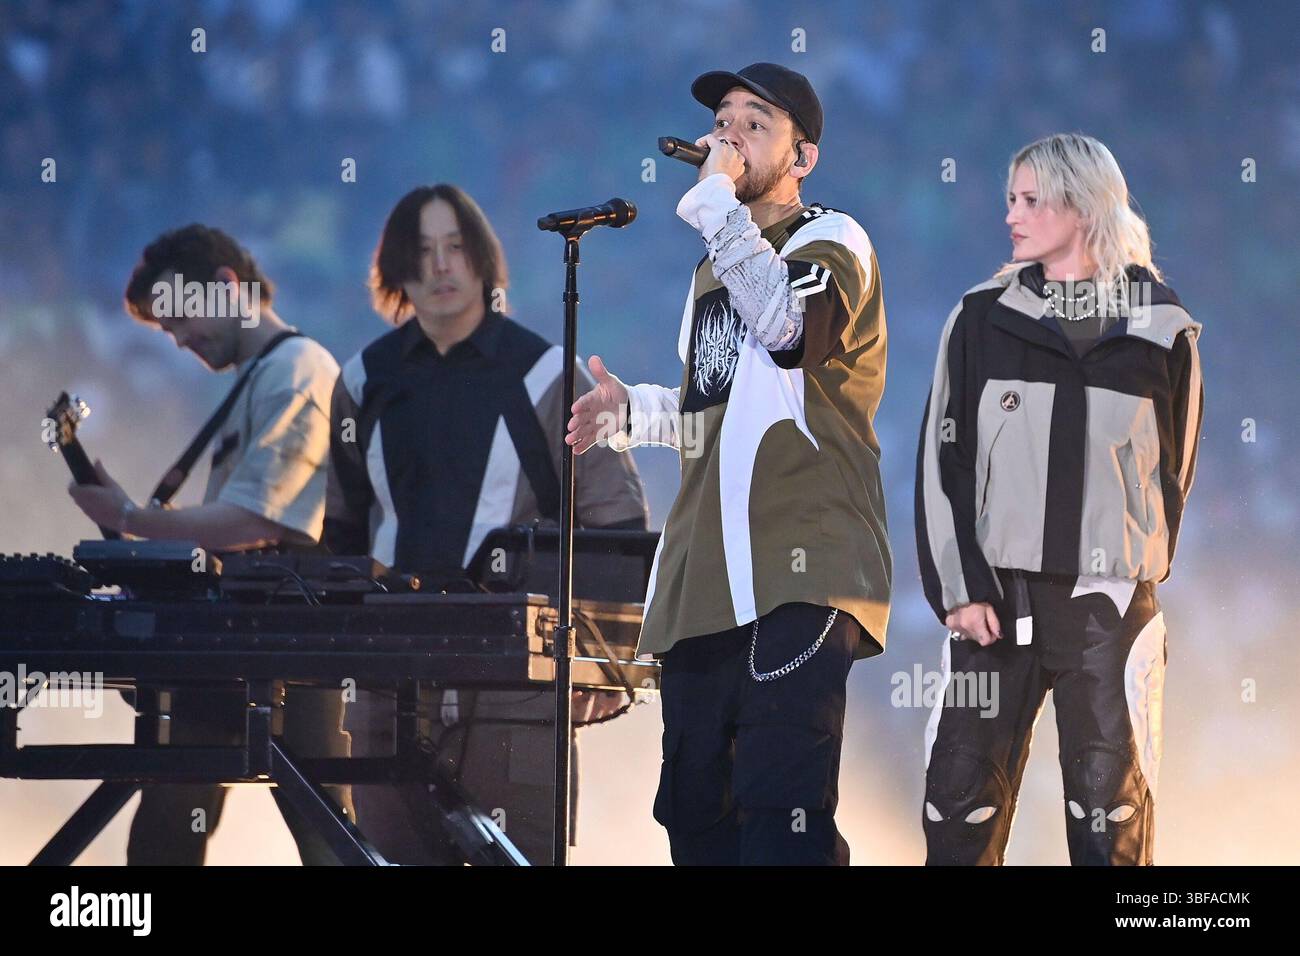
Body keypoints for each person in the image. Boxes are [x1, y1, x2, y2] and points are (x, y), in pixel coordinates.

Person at [567, 63, 892, 865]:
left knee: (781, 816)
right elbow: (710, 413)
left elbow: (790, 332)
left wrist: (714, 203)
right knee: (697, 824)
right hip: (706, 586)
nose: (731, 133)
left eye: (756, 122)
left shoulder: (832, 238)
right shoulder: (713, 269)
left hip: (801, 571)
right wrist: (631, 412)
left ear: (802, 157)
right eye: (724, 119)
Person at [325, 184, 649, 864]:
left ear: (481, 262)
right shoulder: (360, 381)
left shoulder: (547, 374)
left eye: (455, 249)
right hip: (388, 688)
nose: (441, 268)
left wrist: (601, 670)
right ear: (396, 269)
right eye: (422, 252)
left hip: (517, 698)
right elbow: (342, 540)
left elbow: (617, 528)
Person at [915, 133, 1205, 865]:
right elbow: (941, 464)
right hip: (995, 606)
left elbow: (1174, 472)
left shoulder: (1162, 325)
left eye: (1030, 199)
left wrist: (1126, 568)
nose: (1011, 214)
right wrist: (962, 588)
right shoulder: (980, 317)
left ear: (1082, 205)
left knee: (1110, 816)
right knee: (957, 809)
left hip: (1107, 608)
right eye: (1010, 198)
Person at [66, 223, 352, 865]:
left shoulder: (297, 370)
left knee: (325, 834)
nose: (179, 340)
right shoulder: (262, 377)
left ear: (226, 287)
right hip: (244, 644)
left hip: (290, 644)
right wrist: (132, 517)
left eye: (180, 320)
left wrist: (135, 518)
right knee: (174, 826)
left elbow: (256, 523)